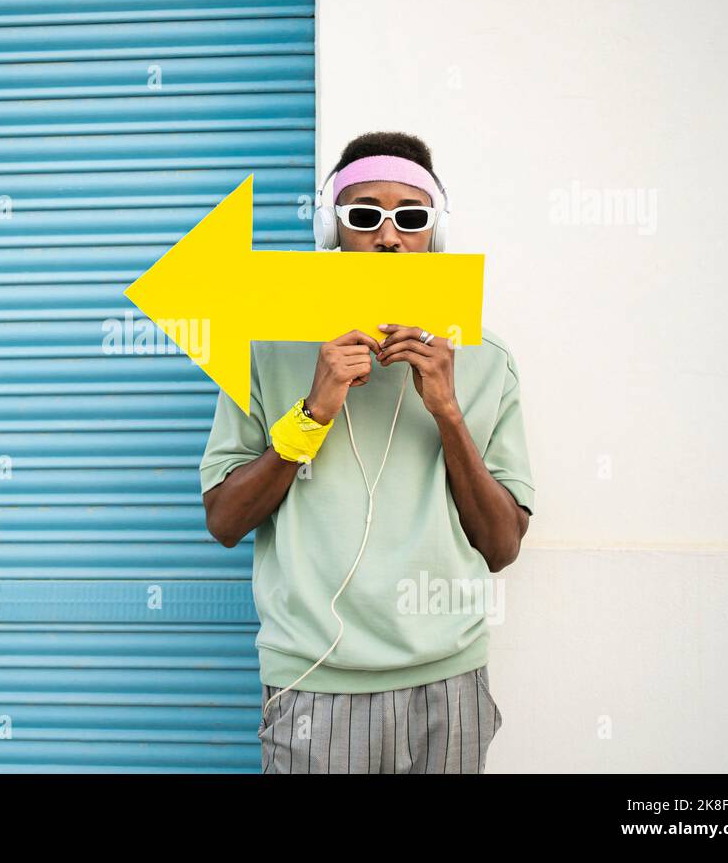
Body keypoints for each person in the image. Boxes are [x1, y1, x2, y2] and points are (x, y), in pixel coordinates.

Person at [199, 131, 535, 773]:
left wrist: (446, 408)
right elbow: (224, 520)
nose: (388, 237)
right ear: (333, 232)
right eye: (364, 216)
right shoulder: (268, 350)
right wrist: (312, 413)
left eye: (410, 218)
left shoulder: (487, 360)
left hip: (448, 682)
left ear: (432, 235)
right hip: (316, 682)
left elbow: (501, 546)